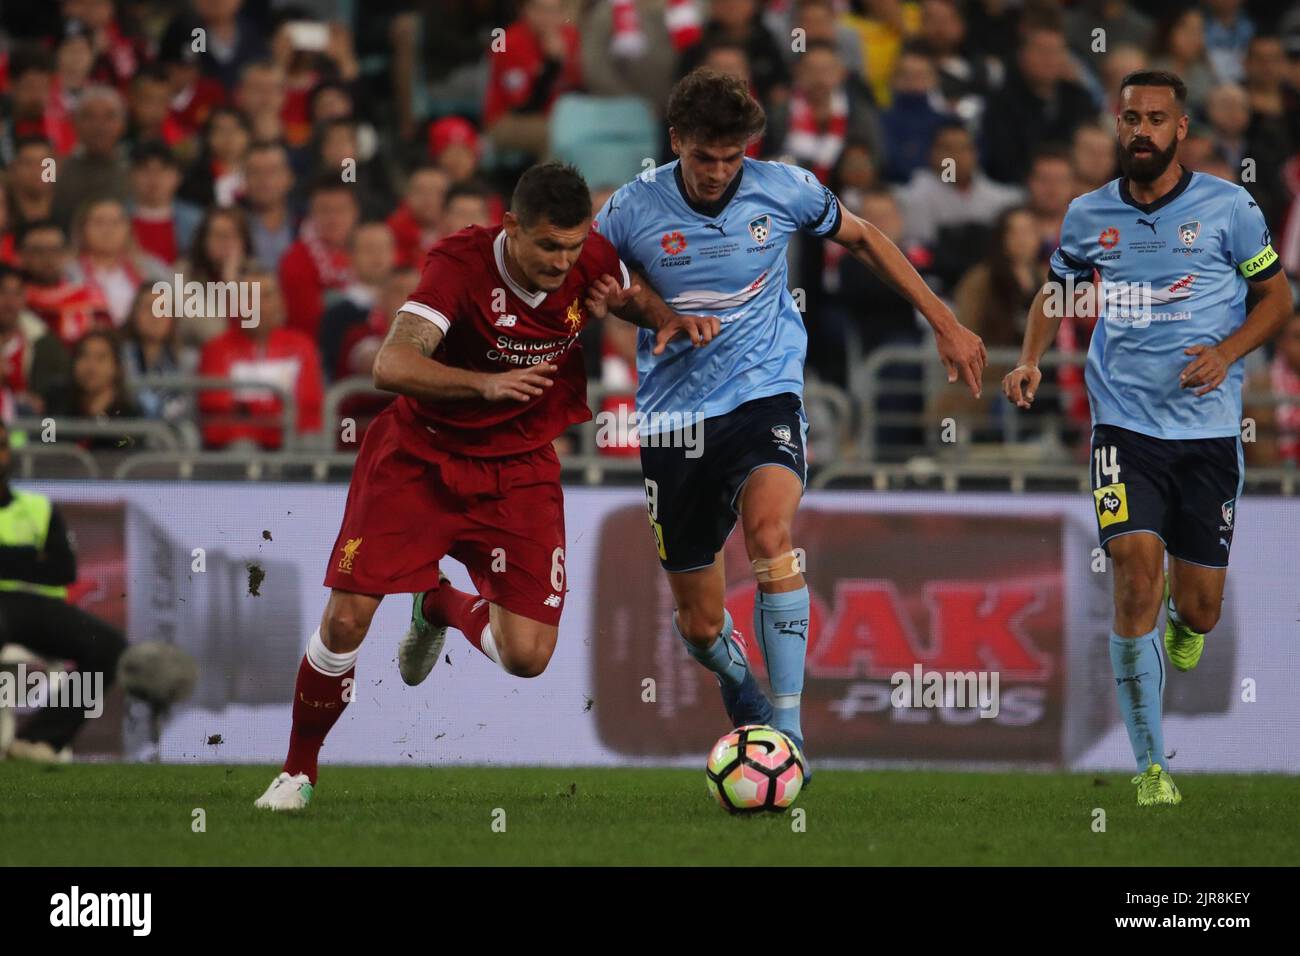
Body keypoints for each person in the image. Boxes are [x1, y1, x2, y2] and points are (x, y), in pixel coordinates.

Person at [252, 163, 708, 811]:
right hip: (420, 457)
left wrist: (658, 317)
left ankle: (436, 603)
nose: (562, 262)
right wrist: (482, 385)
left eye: (573, 247)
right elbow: (390, 363)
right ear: (512, 226)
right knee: (348, 618)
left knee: (526, 657)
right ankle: (297, 771)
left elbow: (623, 294)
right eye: (548, 246)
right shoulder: (459, 267)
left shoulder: (589, 255)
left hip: (519, 470)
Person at [592, 68, 985, 774]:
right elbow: (597, 285)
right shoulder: (630, 209)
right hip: (674, 421)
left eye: (730, 157)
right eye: (702, 157)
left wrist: (945, 322)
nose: (716, 173)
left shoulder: (787, 188)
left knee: (771, 533)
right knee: (700, 623)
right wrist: (650, 311)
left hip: (765, 394)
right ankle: (735, 677)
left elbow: (864, 238)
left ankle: (789, 731)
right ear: (676, 141)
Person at [1002, 70, 1292, 806]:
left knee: (1198, 608)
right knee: (1135, 569)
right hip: (1124, 426)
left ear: (1181, 129)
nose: (1141, 131)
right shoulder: (1086, 215)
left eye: (1156, 119)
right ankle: (1150, 766)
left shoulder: (1231, 209)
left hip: (1209, 432)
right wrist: (1031, 356)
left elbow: (1277, 298)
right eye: (1130, 117)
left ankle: (1186, 624)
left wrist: (1227, 354)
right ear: (1117, 122)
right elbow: (1055, 290)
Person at [0, 420, 126, 762]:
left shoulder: (37, 507)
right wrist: (29, 557)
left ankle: (40, 739)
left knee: (110, 646)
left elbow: (62, 571)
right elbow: (46, 566)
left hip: (38, 607)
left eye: (2, 446)